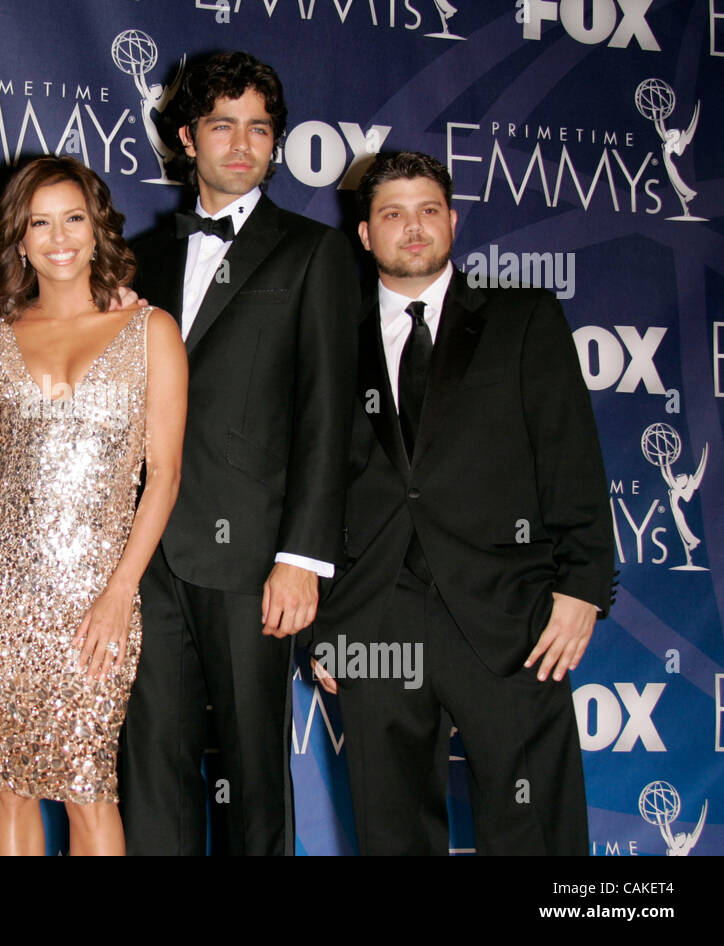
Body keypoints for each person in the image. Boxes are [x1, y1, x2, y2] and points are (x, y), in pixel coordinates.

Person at [314, 151, 614, 854]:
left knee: (533, 822)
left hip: (508, 613)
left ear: (451, 220)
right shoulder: (330, 337)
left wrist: (583, 586)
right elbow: (311, 481)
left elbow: (570, 456)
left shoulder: (523, 317)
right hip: (373, 616)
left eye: (427, 211)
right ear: (364, 234)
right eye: (391, 214)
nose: (412, 228)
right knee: (391, 826)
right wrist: (319, 619)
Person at [118, 51, 358, 855]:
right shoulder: (134, 261)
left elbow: (329, 417)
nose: (244, 144)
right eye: (224, 125)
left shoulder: (314, 254)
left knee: (257, 773)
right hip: (140, 555)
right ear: (188, 137)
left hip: (254, 555)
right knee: (148, 766)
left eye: (261, 129)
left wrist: (302, 557)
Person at [0, 157, 187, 856]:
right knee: (7, 781)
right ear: (18, 240)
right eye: (39, 223)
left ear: (97, 227)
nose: (59, 238)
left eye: (73, 218)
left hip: (98, 596)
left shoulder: (152, 332)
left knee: (89, 785)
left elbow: (165, 476)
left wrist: (120, 590)